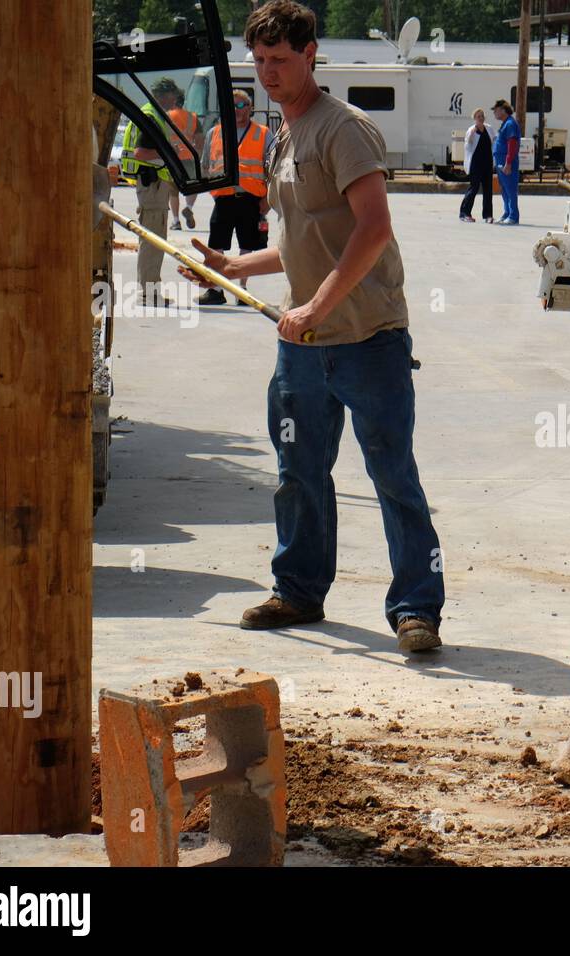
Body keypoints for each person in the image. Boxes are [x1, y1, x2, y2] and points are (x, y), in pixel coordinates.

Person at [179, 0, 445, 653]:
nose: (268, 72)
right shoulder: (284, 135)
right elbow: (304, 242)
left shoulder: (341, 129)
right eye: (260, 60)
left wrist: (314, 310)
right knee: (298, 469)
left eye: (280, 59)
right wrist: (235, 265)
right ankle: (298, 591)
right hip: (303, 344)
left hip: (367, 338)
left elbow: (373, 229)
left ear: (310, 56)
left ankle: (416, 609)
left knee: (391, 474)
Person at [198, 89, 275, 306]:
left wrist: (268, 200)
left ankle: (241, 291)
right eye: (233, 106)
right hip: (223, 199)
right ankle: (215, 290)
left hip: (250, 199)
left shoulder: (263, 133)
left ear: (250, 109)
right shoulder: (214, 133)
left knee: (247, 245)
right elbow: (206, 165)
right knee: (216, 246)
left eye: (242, 106)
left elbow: (274, 169)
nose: (237, 110)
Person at [120, 76, 182, 305]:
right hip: (152, 186)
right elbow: (141, 153)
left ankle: (150, 290)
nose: (175, 99)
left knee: (153, 238)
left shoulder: (148, 113)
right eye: (172, 94)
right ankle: (149, 293)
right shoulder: (151, 117)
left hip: (151, 186)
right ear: (163, 95)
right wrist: (169, 151)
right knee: (153, 240)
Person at [167, 92, 204, 230]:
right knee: (193, 186)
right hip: (189, 158)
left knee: (173, 191)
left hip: (172, 158)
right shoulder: (193, 118)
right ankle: (188, 207)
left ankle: (176, 221)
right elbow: (200, 141)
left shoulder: (167, 116)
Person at [459, 107, 494, 223]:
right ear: (474, 118)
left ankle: (488, 215)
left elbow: (494, 141)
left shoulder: (489, 129)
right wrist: (471, 135)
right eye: (478, 116)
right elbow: (467, 146)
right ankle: (464, 213)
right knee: (473, 188)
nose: (481, 118)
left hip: (487, 163)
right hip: (476, 164)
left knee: (488, 189)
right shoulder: (471, 130)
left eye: (482, 116)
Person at [491, 99, 521, 225]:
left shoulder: (510, 124)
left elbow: (512, 144)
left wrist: (508, 162)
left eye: (496, 110)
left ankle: (513, 216)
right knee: (504, 188)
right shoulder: (505, 123)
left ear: (503, 110)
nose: (494, 113)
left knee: (510, 188)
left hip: (506, 162)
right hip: (500, 160)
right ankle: (507, 213)